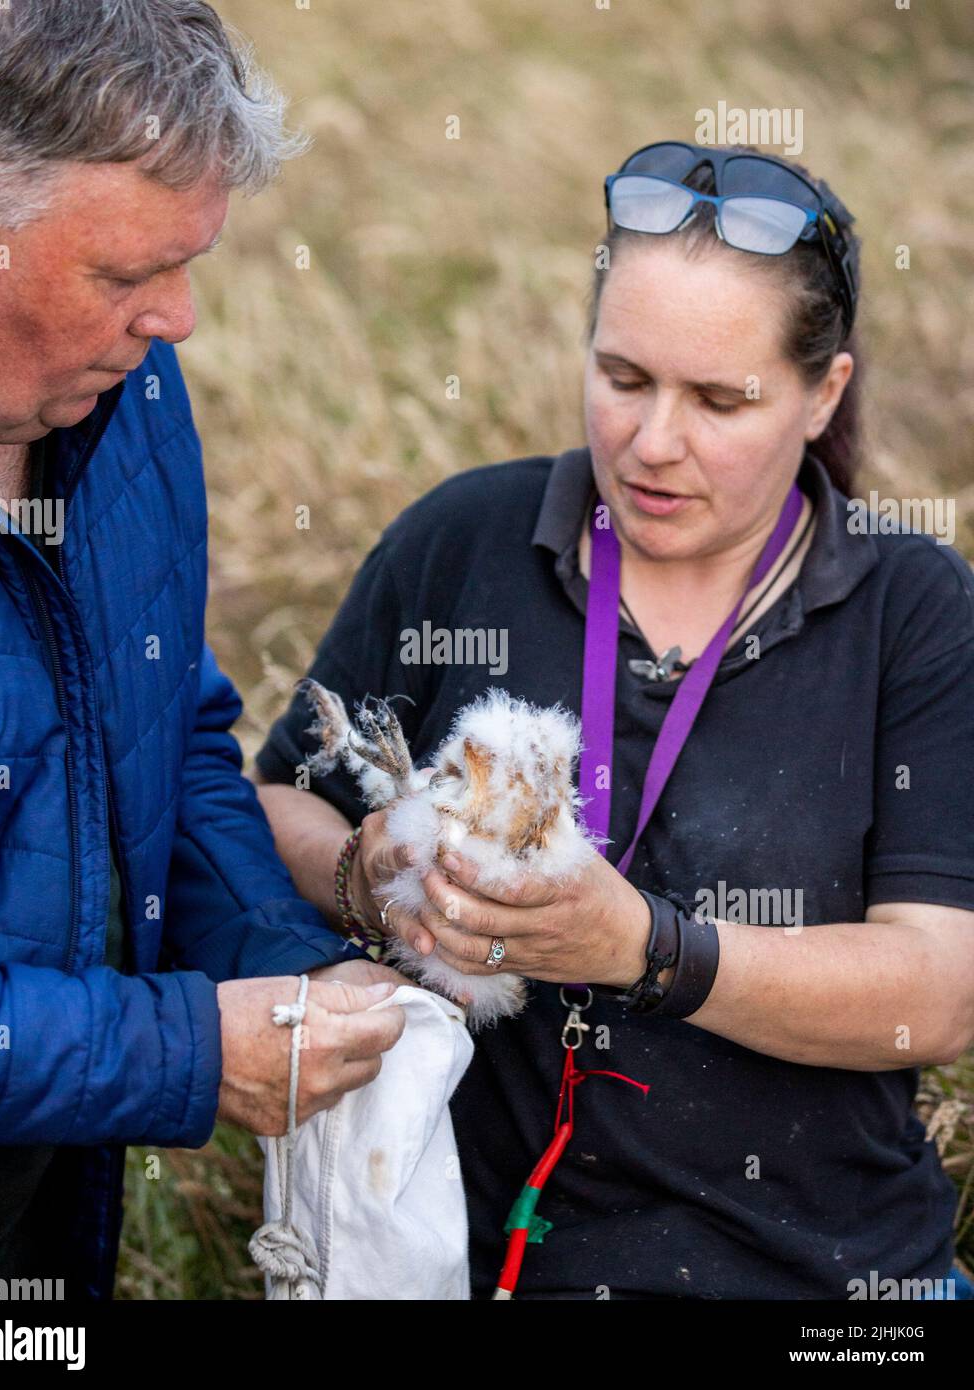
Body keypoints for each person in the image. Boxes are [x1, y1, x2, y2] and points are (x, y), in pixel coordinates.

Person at [255, 139, 974, 1299]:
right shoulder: (462, 539)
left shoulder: (915, 608)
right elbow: (272, 801)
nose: (650, 443)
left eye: (717, 399)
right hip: (482, 1263)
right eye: (623, 377)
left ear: (821, 392)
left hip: (823, 1281)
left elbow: (935, 991)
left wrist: (641, 947)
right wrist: (361, 866)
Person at [0, 0, 403, 1302]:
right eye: (128, 274)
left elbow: (161, 728)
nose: (180, 320)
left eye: (189, 262)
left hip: (33, 1200)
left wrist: (289, 975)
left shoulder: (121, 391)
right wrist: (188, 1055)